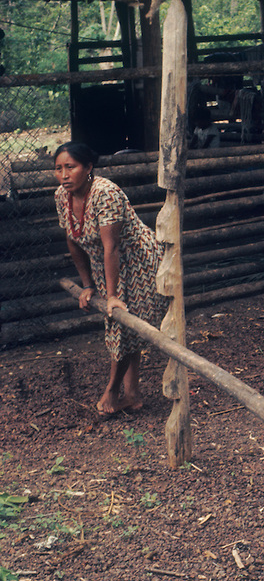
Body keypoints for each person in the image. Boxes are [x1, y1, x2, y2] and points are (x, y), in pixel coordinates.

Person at [54, 142, 168, 415]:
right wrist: (88, 285)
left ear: (88, 167)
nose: (64, 175)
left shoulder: (105, 193)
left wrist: (113, 296)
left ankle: (112, 392)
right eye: (58, 169)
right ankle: (132, 395)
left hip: (138, 261)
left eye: (71, 167)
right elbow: (73, 240)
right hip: (107, 265)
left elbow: (112, 246)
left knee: (123, 327)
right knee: (125, 330)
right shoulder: (61, 196)